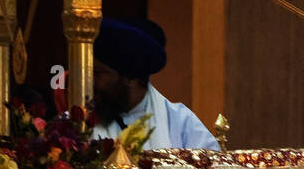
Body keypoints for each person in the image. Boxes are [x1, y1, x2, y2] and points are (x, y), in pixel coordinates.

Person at [91, 17, 221, 150]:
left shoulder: (181, 123)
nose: (91, 81)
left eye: (98, 73)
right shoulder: (81, 121)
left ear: (131, 78)